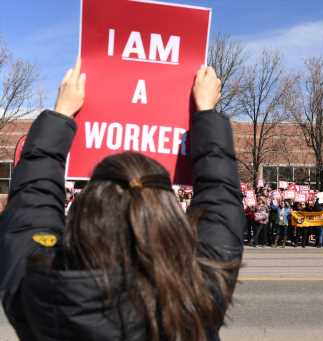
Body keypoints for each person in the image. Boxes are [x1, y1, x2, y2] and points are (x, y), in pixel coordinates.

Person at [0, 61, 245, 341]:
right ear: (169, 216)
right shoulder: (199, 291)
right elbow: (221, 201)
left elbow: (30, 210)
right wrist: (206, 114)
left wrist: (61, 115)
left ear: (85, 211)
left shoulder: (41, 291)